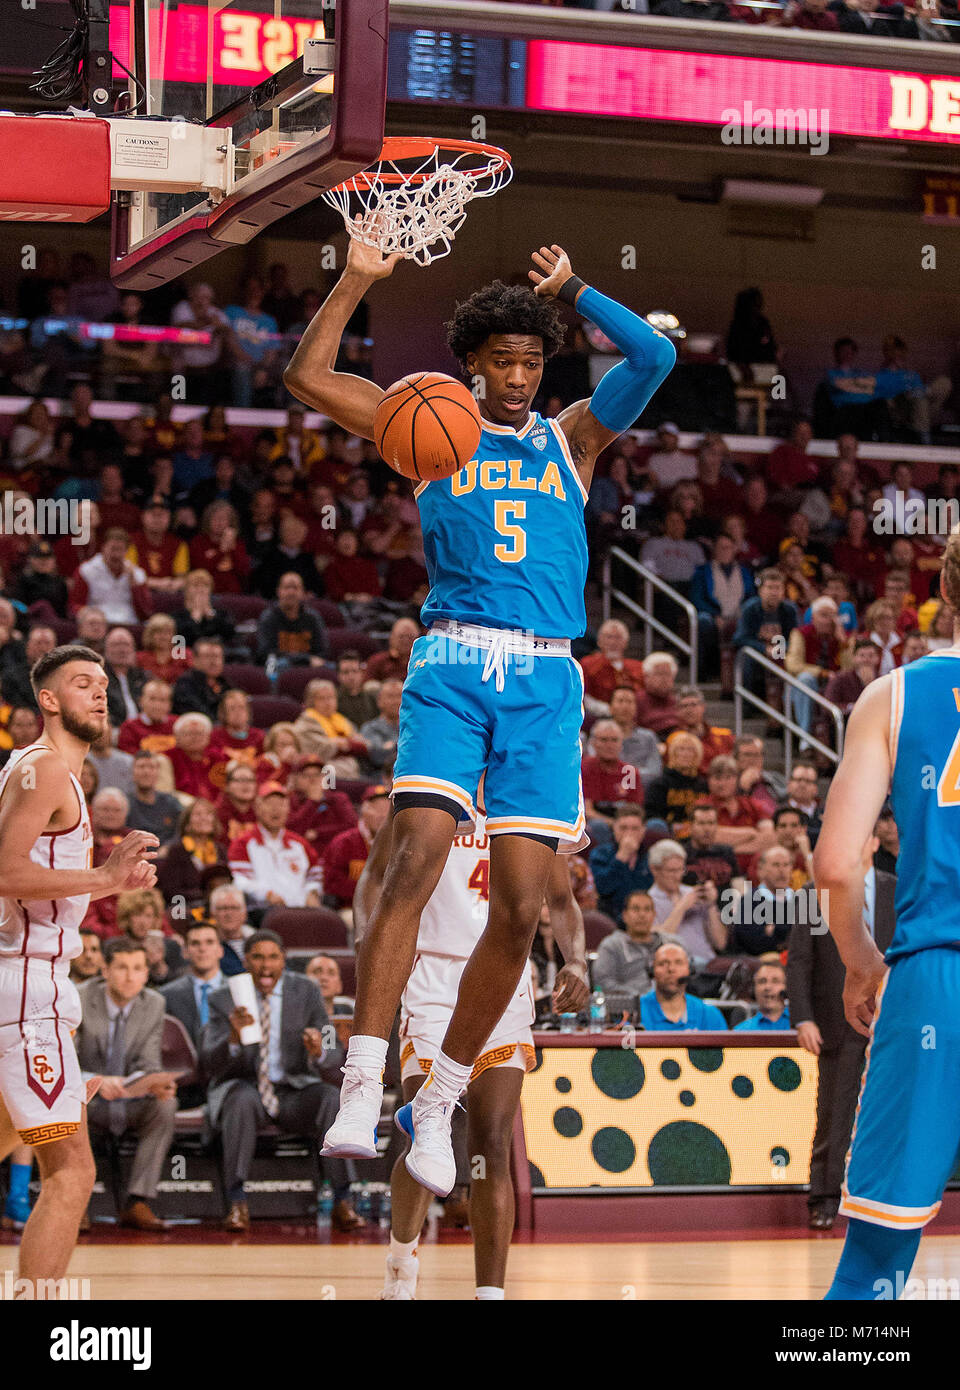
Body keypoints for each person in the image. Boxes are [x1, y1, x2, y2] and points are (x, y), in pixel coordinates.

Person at [286, 235, 674, 1190]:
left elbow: (656, 357)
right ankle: (365, 1079)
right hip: (454, 659)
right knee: (413, 855)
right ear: (472, 366)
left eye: (533, 361)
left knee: (523, 903)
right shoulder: (431, 428)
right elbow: (306, 377)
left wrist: (575, 287)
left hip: (547, 679)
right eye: (502, 360)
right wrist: (360, 280)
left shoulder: (572, 437)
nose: (518, 376)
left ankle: (439, 1096)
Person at [357, 813, 588, 1300]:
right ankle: (401, 1261)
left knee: (492, 1143)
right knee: (423, 1127)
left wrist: (578, 961)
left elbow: (563, 902)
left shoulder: (532, 807)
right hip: (431, 974)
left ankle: (490, 1293)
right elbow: (374, 879)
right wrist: (368, 943)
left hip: (504, 978)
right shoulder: (429, 797)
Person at [813, 546, 960, 1292]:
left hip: (936, 975)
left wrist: (863, 960)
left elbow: (838, 865)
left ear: (943, 592)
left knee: (879, 1252)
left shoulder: (893, 697)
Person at [0, 644, 159, 1283]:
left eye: (102, 683)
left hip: (32, 984)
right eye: (80, 683)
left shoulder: (40, 772)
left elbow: (37, 880)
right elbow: (5, 871)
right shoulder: (45, 774)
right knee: (71, 1170)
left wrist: (109, 885)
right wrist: (102, 874)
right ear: (48, 700)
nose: (98, 693)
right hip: (26, 990)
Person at [201, 930, 363, 1233]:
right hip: (245, 1086)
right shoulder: (224, 996)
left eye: (273, 957)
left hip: (293, 1089)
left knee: (329, 1097)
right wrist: (232, 1039)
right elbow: (210, 1061)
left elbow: (331, 1049)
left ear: (283, 960)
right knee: (240, 1101)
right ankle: (236, 1202)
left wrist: (319, 1051)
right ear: (246, 960)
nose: (265, 966)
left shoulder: (306, 991)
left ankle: (344, 1199)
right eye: (258, 957)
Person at [793, 827, 895, 1232]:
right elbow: (799, 961)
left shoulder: (899, 889)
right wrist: (803, 1017)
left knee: (887, 1113)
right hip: (835, 1019)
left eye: (865, 835)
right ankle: (824, 1198)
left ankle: (879, 1202)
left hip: (890, 1019)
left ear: (873, 842)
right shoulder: (814, 893)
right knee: (833, 1113)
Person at [76, 937, 178, 1232]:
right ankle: (75, 1203)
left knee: (166, 1104)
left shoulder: (154, 1003)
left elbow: (148, 1060)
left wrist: (155, 1082)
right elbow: (65, 1060)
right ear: (104, 970)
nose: (130, 976)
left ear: (147, 973)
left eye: (137, 968)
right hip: (87, 1098)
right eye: (121, 967)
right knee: (67, 1105)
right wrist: (96, 1082)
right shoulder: (80, 998)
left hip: (129, 1098)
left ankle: (137, 1201)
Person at [227, 783, 322, 910]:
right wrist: (267, 894)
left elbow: (315, 875)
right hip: (264, 911)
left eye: (281, 804)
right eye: (270, 804)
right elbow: (241, 881)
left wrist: (312, 892)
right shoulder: (242, 843)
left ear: (288, 809)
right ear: (257, 807)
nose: (275, 809)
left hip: (302, 910)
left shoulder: (299, 844)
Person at [647, 838, 727, 967]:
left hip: (708, 963)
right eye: (671, 871)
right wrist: (682, 907)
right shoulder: (648, 901)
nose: (677, 876)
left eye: (681, 870)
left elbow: (720, 943)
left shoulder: (693, 893)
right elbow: (659, 943)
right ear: (654, 870)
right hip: (675, 967)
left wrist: (711, 905)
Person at [592, 890, 678, 998]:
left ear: (654, 915)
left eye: (647, 909)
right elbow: (603, 983)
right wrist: (639, 997)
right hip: (628, 1007)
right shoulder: (612, 945)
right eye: (636, 909)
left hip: (669, 1004)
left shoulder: (670, 944)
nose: (642, 915)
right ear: (625, 915)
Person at [322, 786, 392, 908]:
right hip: (350, 908)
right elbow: (331, 882)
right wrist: (369, 892)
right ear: (363, 810)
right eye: (376, 808)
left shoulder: (399, 844)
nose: (382, 815)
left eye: (387, 809)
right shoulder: (344, 842)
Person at [638, 943, 726, 1031]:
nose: (671, 969)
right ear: (651, 971)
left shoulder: (709, 1015)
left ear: (690, 970)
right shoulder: (634, 1013)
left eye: (678, 963)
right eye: (663, 963)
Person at [589, 806, 654, 919]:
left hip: (643, 917)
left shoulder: (651, 857)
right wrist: (621, 857)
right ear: (614, 829)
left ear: (643, 830)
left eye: (635, 828)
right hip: (609, 916)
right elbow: (603, 888)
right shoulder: (600, 854)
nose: (629, 833)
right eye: (623, 828)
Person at [578, 619, 645, 714]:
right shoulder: (587, 664)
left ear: (626, 642)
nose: (613, 642)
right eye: (609, 637)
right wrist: (610, 711)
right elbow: (583, 697)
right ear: (599, 641)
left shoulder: (638, 667)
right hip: (599, 717)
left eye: (618, 638)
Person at [126, 750, 181, 846]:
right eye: (141, 767)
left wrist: (168, 848)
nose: (146, 772)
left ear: (158, 773)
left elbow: (182, 831)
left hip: (166, 857)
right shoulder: (124, 804)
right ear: (132, 773)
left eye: (151, 767)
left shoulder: (171, 803)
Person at [208, 884, 254, 975]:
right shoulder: (207, 946)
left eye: (234, 908)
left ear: (244, 913)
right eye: (223, 908)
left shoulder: (258, 941)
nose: (229, 914)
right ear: (212, 914)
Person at [733, 962, 792, 1031]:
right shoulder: (741, 1032)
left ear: (786, 987)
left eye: (775, 981)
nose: (768, 987)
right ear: (754, 988)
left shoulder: (801, 1026)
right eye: (762, 981)